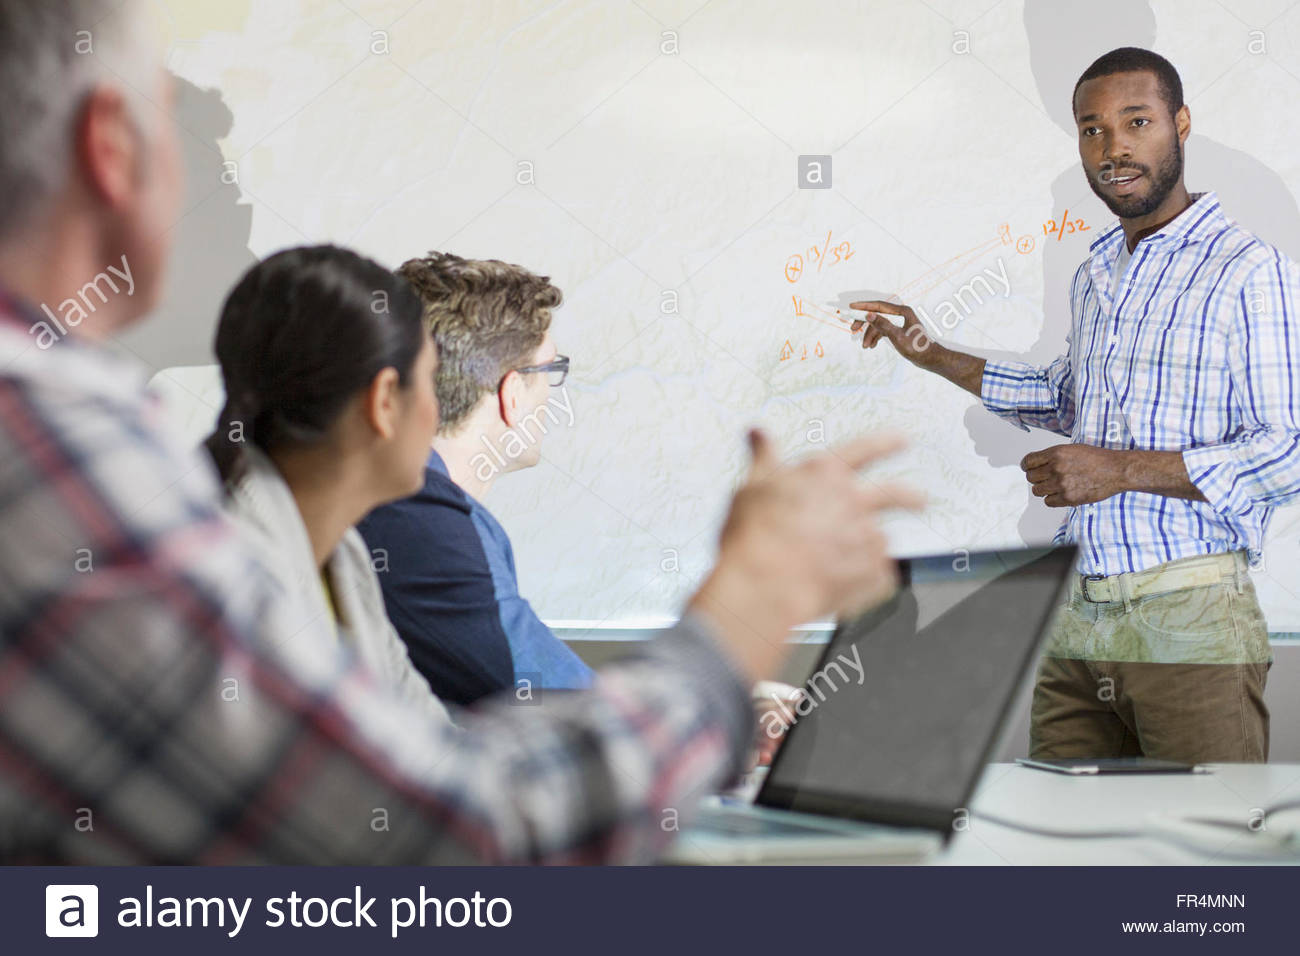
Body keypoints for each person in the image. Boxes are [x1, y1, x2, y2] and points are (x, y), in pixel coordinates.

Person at [0, 0, 920, 862]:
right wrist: (744, 615)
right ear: (111, 150)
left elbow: (424, 754)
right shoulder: (55, 442)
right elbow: (436, 831)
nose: (224, 196)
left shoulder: (342, 558)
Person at [853, 47, 1300, 764]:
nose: (1114, 147)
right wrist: (930, 351)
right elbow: (1066, 399)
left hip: (1192, 616)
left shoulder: (1250, 271)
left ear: (1181, 124)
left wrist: (1118, 471)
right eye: (1092, 130)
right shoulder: (1097, 273)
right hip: (1079, 616)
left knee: (1205, 852)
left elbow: (1289, 450)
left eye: (1137, 121)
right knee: (1064, 848)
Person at [204, 245, 450, 726]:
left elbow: (428, 737)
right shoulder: (240, 574)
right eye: (430, 381)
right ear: (383, 402)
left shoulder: (345, 556)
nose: (435, 412)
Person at [358, 253, 591, 705]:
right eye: (550, 370)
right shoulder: (423, 518)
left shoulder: (383, 494)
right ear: (511, 393)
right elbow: (563, 704)